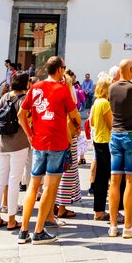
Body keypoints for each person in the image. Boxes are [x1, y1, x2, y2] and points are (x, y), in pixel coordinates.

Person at [17, 56, 81, 245]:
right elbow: (75, 114)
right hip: (57, 143)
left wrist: (29, 134)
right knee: (49, 187)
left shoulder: (35, 88)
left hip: (38, 142)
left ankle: (23, 231)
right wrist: (78, 125)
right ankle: (38, 232)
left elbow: (22, 114)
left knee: (33, 185)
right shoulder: (62, 90)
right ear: (60, 70)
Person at [107, 58, 132, 239]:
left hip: (115, 135)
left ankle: (113, 225)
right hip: (131, 135)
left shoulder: (111, 88)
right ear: (131, 70)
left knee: (114, 181)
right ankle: (128, 226)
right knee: (131, 182)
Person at [0, 70, 30, 230]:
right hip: (18, 144)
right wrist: (29, 134)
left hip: (2, 144)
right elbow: (24, 118)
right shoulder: (24, 99)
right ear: (25, 84)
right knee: (14, 181)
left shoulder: (6, 96)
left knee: (0, 181)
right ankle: (12, 220)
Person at [55, 70, 82, 219]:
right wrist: (77, 127)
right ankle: (62, 207)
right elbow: (74, 115)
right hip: (67, 138)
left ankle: (54, 206)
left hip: (54, 138)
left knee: (54, 172)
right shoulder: (67, 96)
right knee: (68, 171)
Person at [90, 76, 113, 220]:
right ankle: (100, 211)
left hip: (97, 139)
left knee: (100, 177)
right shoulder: (105, 103)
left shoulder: (96, 102)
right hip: (106, 141)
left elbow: (91, 122)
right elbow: (111, 124)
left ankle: (98, 210)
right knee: (105, 178)